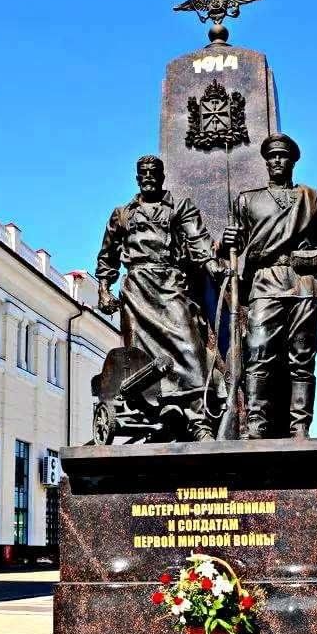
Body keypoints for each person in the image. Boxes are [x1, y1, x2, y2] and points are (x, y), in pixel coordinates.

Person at [96, 155, 228, 441]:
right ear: (136, 178)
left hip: (170, 283)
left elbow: (198, 240)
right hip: (136, 290)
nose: (148, 177)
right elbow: (108, 256)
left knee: (189, 348)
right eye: (143, 173)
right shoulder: (122, 214)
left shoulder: (180, 207)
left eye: (153, 172)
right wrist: (104, 289)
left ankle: (199, 418)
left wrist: (213, 264)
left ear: (163, 176)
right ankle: (160, 417)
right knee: (143, 359)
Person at [222, 133, 317, 438]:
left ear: (293, 161)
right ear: (266, 162)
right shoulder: (247, 200)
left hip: (304, 284)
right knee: (258, 353)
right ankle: (256, 426)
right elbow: (229, 251)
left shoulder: (311, 198)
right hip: (265, 283)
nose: (277, 161)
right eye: (272, 157)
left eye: (283, 156)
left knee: (302, 358)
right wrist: (225, 244)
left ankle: (299, 427)